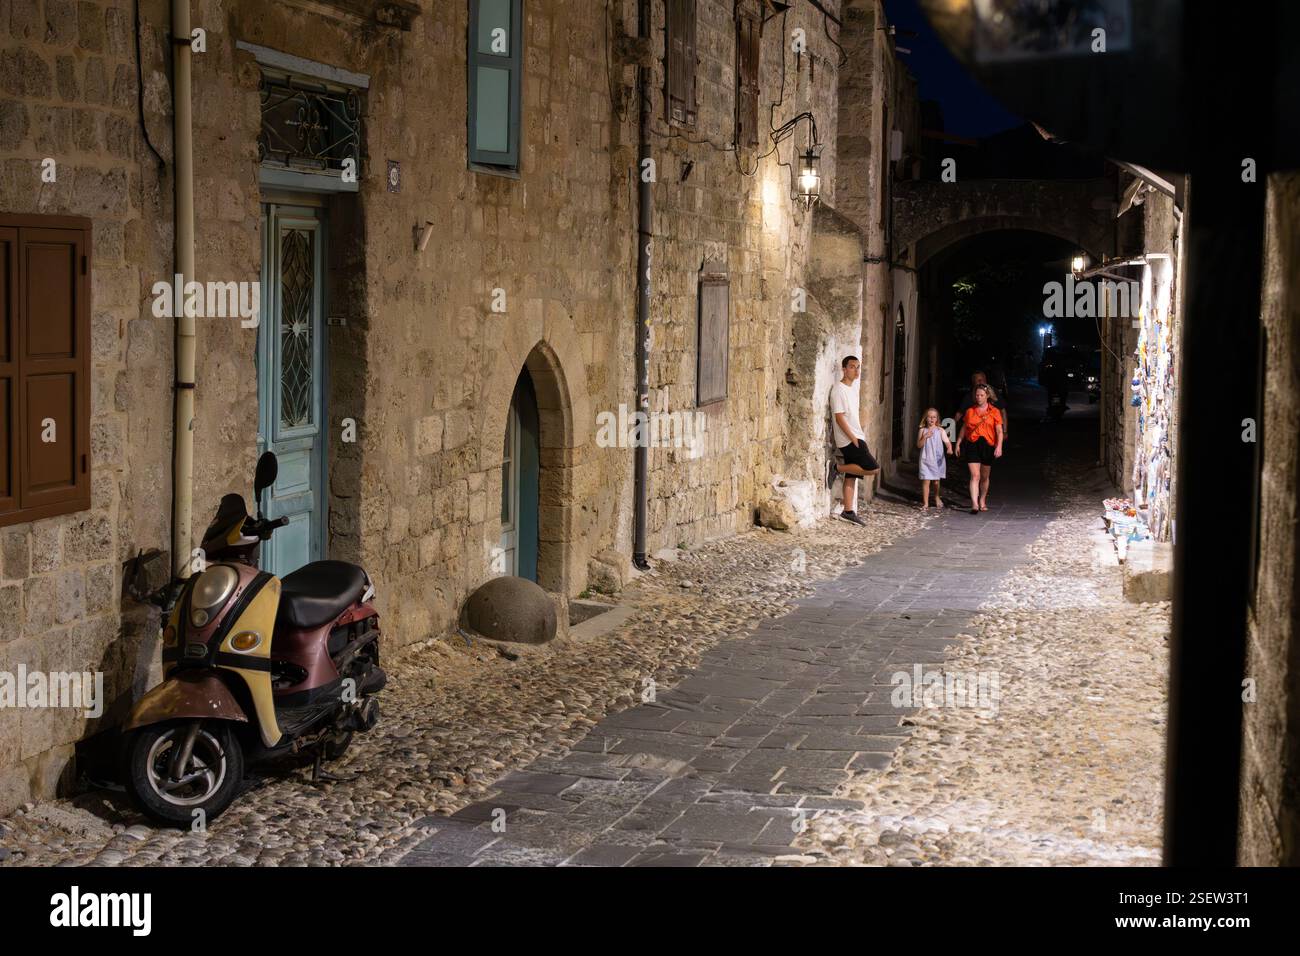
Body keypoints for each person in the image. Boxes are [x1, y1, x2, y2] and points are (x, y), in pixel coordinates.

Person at [827, 355, 880, 526]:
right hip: (851, 438)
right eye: (852, 367)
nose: (856, 370)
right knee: (873, 468)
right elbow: (840, 418)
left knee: (852, 476)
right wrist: (853, 438)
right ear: (844, 369)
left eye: (858, 367)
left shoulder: (852, 389)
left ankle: (848, 511)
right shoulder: (839, 389)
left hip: (857, 436)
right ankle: (836, 468)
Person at [955, 383, 1004, 513]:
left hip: (988, 445)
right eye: (977, 395)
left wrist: (999, 446)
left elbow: (999, 431)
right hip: (972, 445)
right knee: (975, 475)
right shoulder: (970, 411)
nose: (979, 397)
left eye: (981, 395)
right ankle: (975, 504)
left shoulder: (995, 412)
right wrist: (958, 442)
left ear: (987, 396)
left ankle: (982, 499)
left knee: (984, 477)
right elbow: (964, 428)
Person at [955, 370, 1010, 441]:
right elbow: (959, 415)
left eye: (982, 380)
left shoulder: (994, 394)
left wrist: (1004, 431)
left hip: (991, 436)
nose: (981, 382)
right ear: (973, 383)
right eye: (978, 380)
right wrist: (950, 429)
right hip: (973, 437)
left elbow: (1003, 411)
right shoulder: (969, 397)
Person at [916, 407, 953, 511]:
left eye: (934, 417)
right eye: (929, 417)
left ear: (937, 419)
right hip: (926, 459)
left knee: (936, 481)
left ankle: (936, 496)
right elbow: (919, 445)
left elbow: (947, 442)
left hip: (937, 459)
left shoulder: (940, 430)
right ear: (925, 418)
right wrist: (925, 437)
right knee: (926, 481)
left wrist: (949, 448)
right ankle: (926, 503)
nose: (931, 419)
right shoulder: (922, 430)